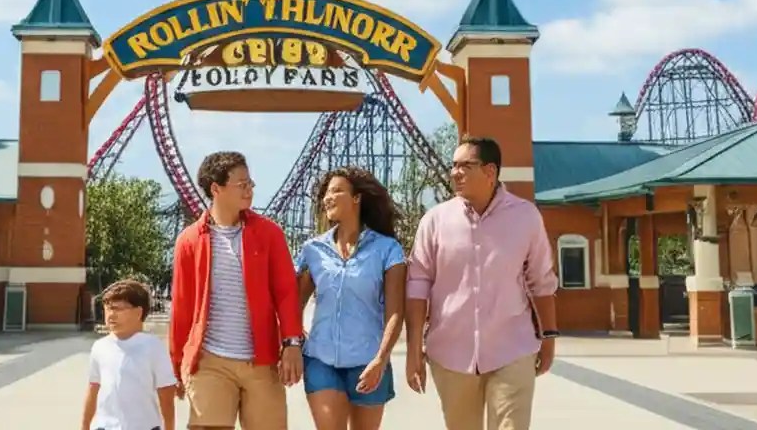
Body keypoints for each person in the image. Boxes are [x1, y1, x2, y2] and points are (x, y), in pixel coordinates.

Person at [404, 137, 560, 430]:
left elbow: (541, 280)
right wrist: (414, 347)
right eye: (453, 166)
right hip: (450, 352)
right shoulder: (434, 221)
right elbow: (417, 285)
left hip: (513, 348)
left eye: (465, 166)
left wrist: (549, 336)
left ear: (490, 172)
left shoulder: (525, 217)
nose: (454, 173)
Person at [169, 150, 305, 429]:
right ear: (215, 189)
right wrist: (176, 365)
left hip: (263, 361)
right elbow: (182, 307)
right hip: (209, 362)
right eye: (242, 184)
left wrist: (292, 343)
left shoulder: (269, 233)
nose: (250, 189)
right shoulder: (189, 241)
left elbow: (286, 291)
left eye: (250, 183)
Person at [294, 167, 407, 430]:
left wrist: (381, 359)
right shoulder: (313, 250)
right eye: (325, 193)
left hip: (369, 360)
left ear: (356, 198)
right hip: (320, 359)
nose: (327, 198)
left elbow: (395, 312)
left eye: (336, 191)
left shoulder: (388, 249)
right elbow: (294, 303)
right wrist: (293, 338)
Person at [82, 279, 178, 430]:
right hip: (105, 426)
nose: (111, 315)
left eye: (118, 309)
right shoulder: (100, 347)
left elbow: (166, 393)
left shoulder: (153, 347)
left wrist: (169, 427)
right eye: (108, 308)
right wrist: (85, 425)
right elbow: (93, 387)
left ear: (138, 312)